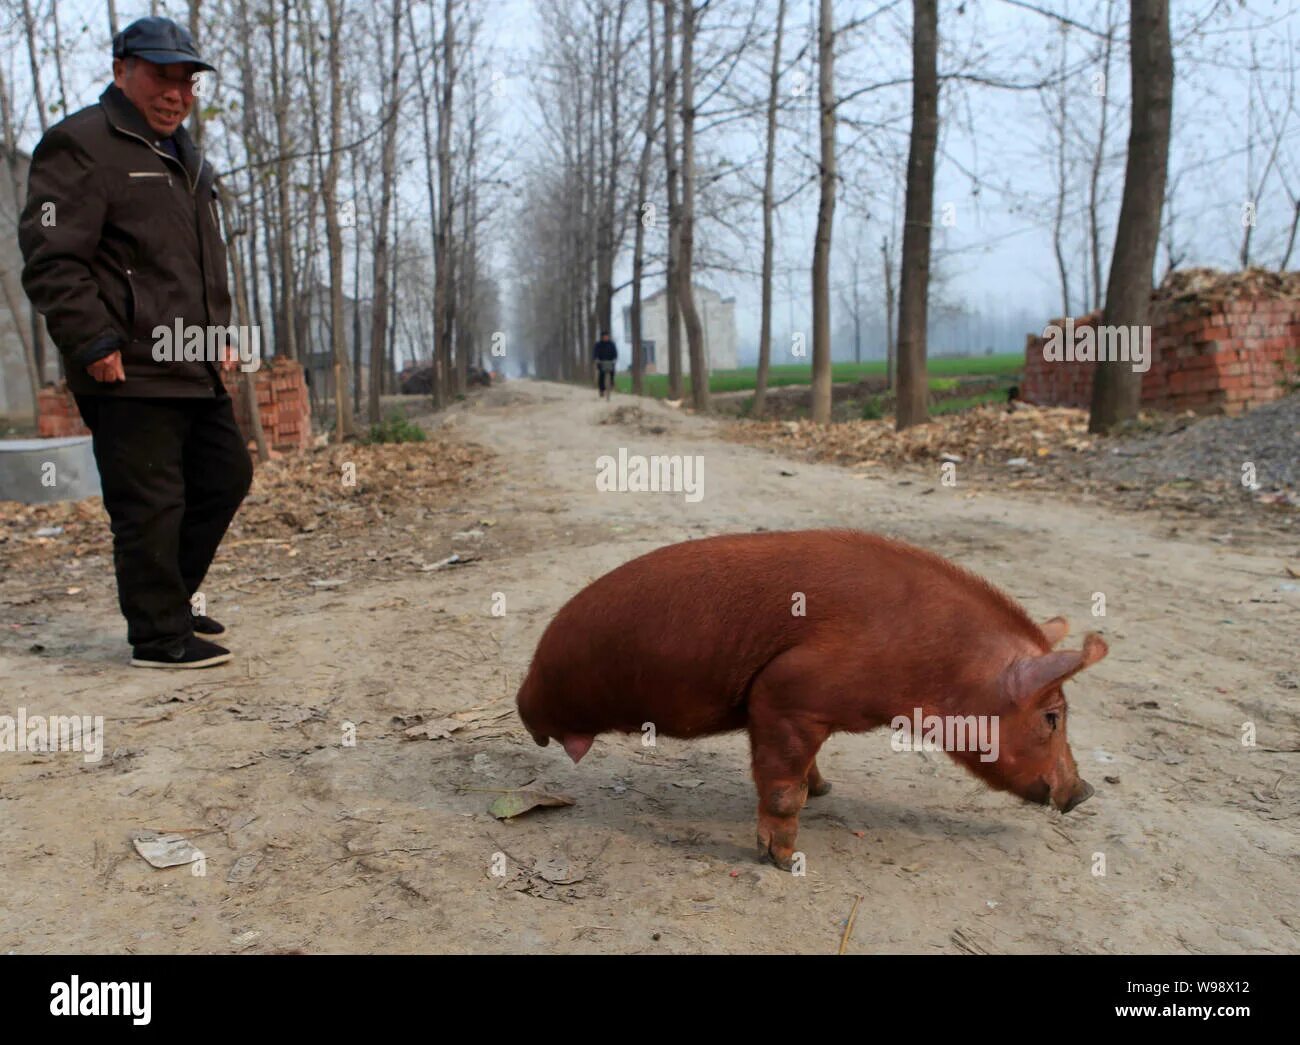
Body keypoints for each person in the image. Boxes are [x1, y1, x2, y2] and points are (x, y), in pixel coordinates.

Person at [19, 16, 253, 669]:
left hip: (191, 358)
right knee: (150, 501)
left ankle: (167, 601)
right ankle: (157, 635)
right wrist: (91, 338)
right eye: (161, 75)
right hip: (127, 363)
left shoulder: (184, 153)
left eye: (186, 79)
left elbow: (195, 264)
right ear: (122, 68)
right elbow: (50, 257)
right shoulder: (81, 144)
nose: (176, 92)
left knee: (226, 475)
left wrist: (220, 336)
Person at [593, 331, 618, 400]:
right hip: (601, 362)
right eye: (604, 336)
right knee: (601, 375)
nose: (606, 338)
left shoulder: (612, 344)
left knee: (612, 372)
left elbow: (615, 353)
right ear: (602, 337)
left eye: (607, 336)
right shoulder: (598, 345)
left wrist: (615, 359)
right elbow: (595, 353)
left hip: (610, 362)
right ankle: (601, 389)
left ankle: (611, 383)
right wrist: (596, 359)